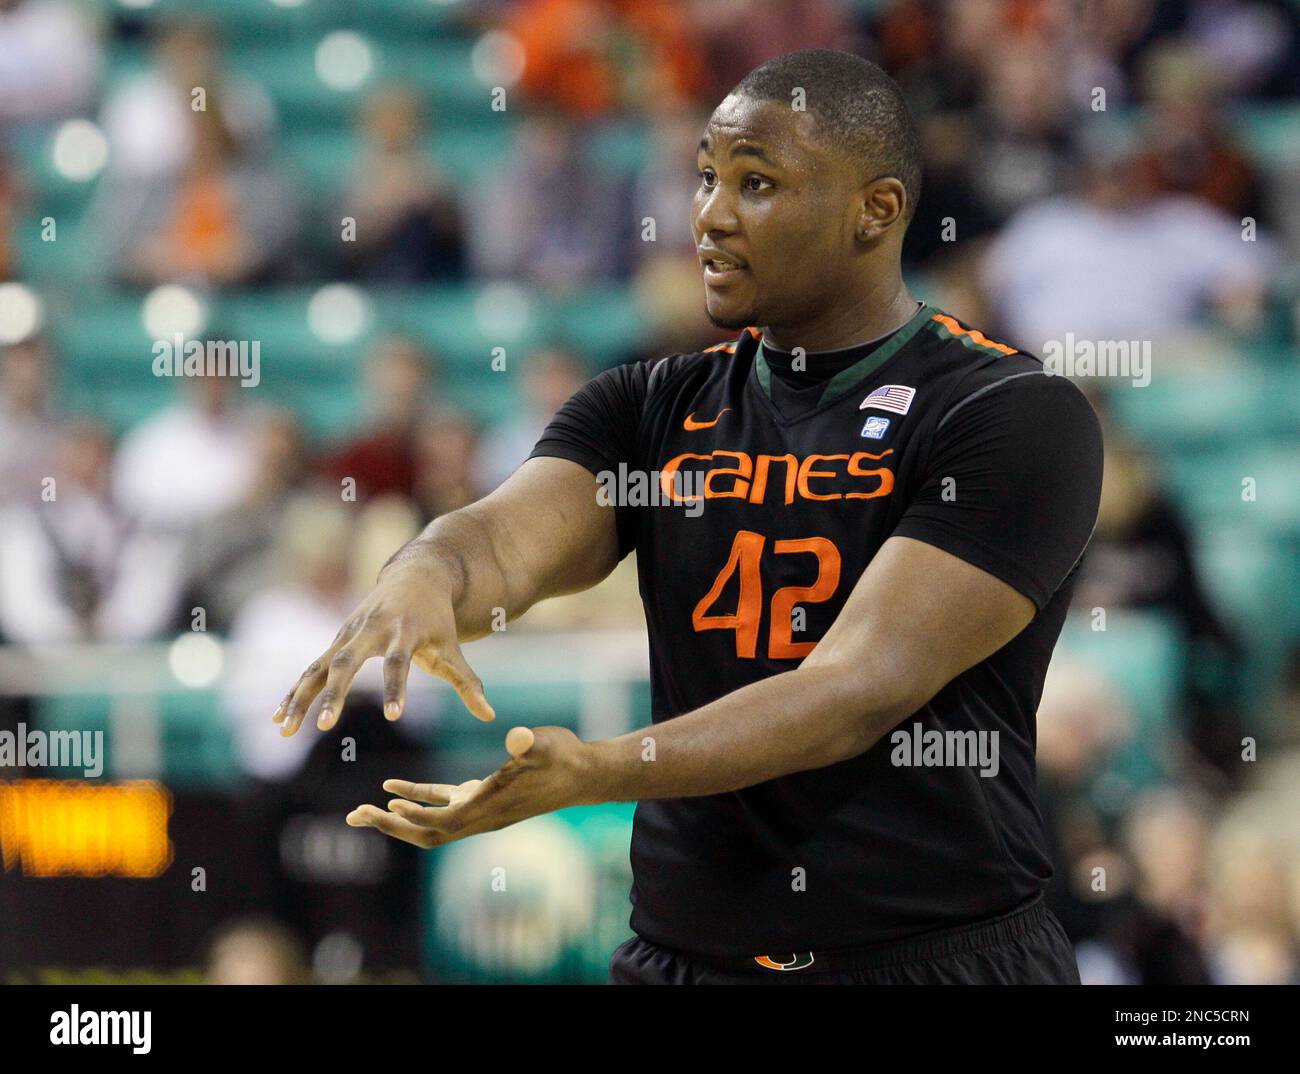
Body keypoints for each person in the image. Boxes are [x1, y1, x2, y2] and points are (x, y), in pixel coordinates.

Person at [273, 49, 1103, 985]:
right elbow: (500, 541)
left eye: (757, 183)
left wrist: (601, 771)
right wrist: (423, 575)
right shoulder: (649, 404)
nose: (708, 213)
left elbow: (855, 691)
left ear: (876, 210)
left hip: (929, 959)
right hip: (686, 958)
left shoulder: (1013, 414)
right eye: (706, 177)